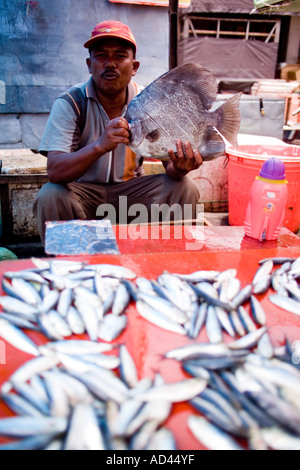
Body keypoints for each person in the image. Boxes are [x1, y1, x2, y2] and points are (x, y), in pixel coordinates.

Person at [33, 20, 202, 244]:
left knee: (185, 187)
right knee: (51, 195)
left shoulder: (150, 102)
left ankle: (169, 262)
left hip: (132, 197)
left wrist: (180, 168)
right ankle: (68, 267)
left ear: (134, 67)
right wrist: (99, 146)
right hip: (84, 196)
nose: (110, 64)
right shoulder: (70, 103)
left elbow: (171, 169)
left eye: (120, 56)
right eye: (101, 56)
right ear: (89, 64)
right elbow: (55, 171)